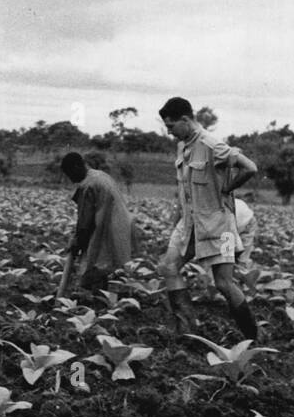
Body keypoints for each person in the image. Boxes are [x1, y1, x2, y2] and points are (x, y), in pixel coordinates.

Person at [156, 96, 260, 338]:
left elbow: (250, 168)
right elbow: (184, 190)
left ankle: (252, 337)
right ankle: (186, 330)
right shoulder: (183, 145)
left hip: (219, 227)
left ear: (185, 120)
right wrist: (177, 221)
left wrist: (227, 188)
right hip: (190, 224)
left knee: (223, 283)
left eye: (171, 127)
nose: (170, 133)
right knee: (168, 266)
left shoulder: (213, 145)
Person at [58, 152, 141, 294]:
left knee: (90, 270)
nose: (71, 179)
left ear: (78, 166)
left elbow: (85, 221)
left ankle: (93, 301)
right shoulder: (101, 176)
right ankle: (102, 299)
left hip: (107, 229)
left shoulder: (87, 185)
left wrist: (77, 243)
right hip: (121, 228)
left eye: (69, 173)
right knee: (106, 268)